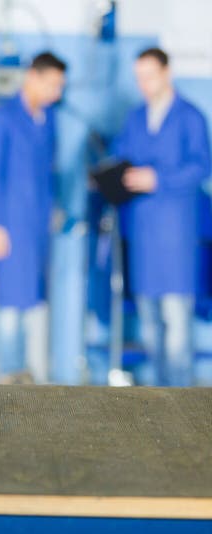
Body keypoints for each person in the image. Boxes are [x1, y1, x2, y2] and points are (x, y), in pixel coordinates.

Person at [114, 47, 211, 386]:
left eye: (149, 76)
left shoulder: (190, 117)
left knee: (177, 330)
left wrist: (158, 179)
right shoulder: (134, 118)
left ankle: (181, 412)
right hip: (143, 236)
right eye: (138, 77)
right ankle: (158, 405)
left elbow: (202, 165)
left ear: (167, 73)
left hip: (176, 237)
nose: (143, 84)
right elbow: (122, 156)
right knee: (151, 327)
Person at [0, 52, 67, 384]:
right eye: (53, 84)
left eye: (60, 86)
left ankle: (37, 378)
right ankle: (7, 376)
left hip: (38, 226)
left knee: (36, 301)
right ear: (33, 76)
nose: (57, 92)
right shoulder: (3, 118)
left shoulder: (48, 120)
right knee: (10, 306)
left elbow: (50, 173)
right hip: (10, 225)